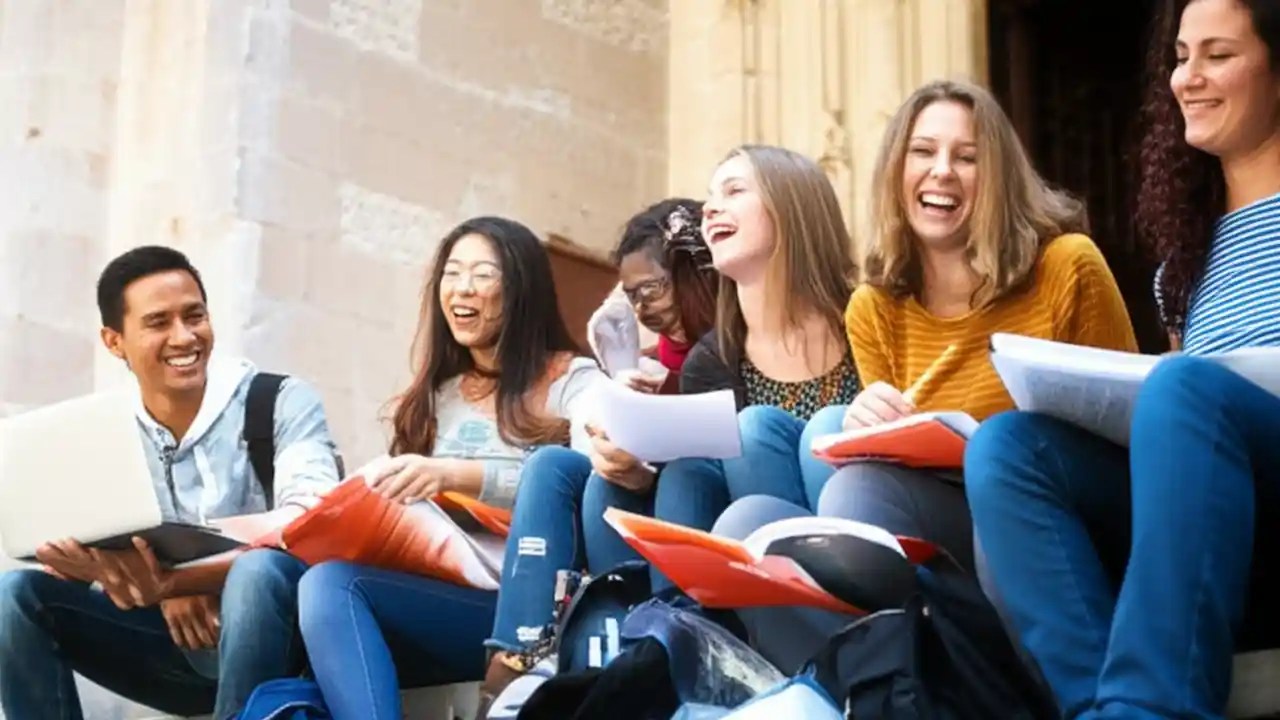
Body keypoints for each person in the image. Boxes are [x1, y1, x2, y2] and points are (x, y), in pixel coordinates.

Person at [965, 0, 1280, 717]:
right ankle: (1102, 708)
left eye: (1218, 55)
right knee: (1008, 446)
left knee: (1184, 389)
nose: (1187, 79)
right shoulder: (1184, 268)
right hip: (1218, 536)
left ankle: (1150, 706)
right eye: (1180, 56)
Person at [720, 79, 1137, 572]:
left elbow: (1126, 431)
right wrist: (870, 425)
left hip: (1051, 521)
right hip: (940, 520)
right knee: (745, 522)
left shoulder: (1067, 265)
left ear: (998, 177)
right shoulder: (873, 307)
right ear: (897, 170)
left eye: (967, 157)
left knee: (857, 494)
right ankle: (852, 647)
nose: (942, 172)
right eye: (922, 152)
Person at [0, 245, 341, 720]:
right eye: (159, 322)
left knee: (256, 573)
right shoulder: (102, 432)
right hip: (169, 653)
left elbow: (313, 524)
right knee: (14, 596)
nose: (184, 337)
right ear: (114, 341)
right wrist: (106, 574)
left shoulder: (279, 400)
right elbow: (108, 557)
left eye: (194, 316)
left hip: (280, 644)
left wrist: (177, 582)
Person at [296, 217, 601, 720]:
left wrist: (455, 474)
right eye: (452, 272)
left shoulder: (574, 380)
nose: (462, 288)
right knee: (323, 583)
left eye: (483, 274)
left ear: (522, 288)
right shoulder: (436, 396)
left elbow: (588, 481)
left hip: (530, 606)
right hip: (443, 591)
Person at [479, 198, 721, 701]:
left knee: (632, 485)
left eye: (651, 290)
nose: (643, 310)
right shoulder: (654, 360)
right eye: (630, 296)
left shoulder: (728, 344)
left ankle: (652, 655)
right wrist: (617, 353)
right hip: (644, 493)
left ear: (698, 271)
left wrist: (649, 468)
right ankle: (513, 658)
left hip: (705, 500)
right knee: (551, 465)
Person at [650, 144, 860, 547]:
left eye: (734, 191)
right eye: (710, 196)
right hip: (753, 544)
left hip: (869, 542)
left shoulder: (867, 321)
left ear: (792, 207)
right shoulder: (710, 362)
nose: (709, 209)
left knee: (810, 426)